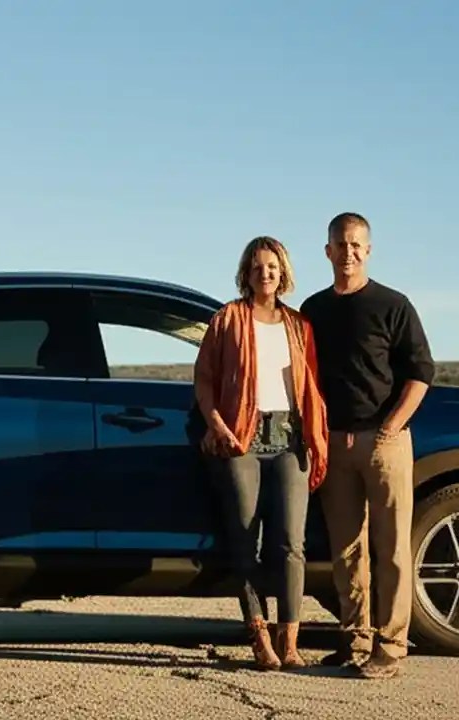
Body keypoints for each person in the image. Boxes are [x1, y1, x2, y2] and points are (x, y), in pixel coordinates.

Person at [300, 212, 435, 680]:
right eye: (341, 245)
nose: (349, 253)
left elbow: (421, 373)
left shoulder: (393, 305)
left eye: (357, 245)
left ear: (369, 250)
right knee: (347, 548)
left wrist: (392, 427)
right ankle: (354, 639)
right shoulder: (313, 310)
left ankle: (392, 645)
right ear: (328, 251)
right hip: (334, 443)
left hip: (385, 441)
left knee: (392, 546)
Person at [193, 235, 329, 671]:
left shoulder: (298, 325)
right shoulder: (228, 319)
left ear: (283, 272)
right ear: (246, 274)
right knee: (245, 540)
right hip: (242, 438)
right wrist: (218, 426)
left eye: (272, 266)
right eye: (257, 267)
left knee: (291, 543)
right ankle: (259, 638)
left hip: (289, 437)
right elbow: (205, 381)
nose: (265, 273)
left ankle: (290, 642)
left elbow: (310, 385)